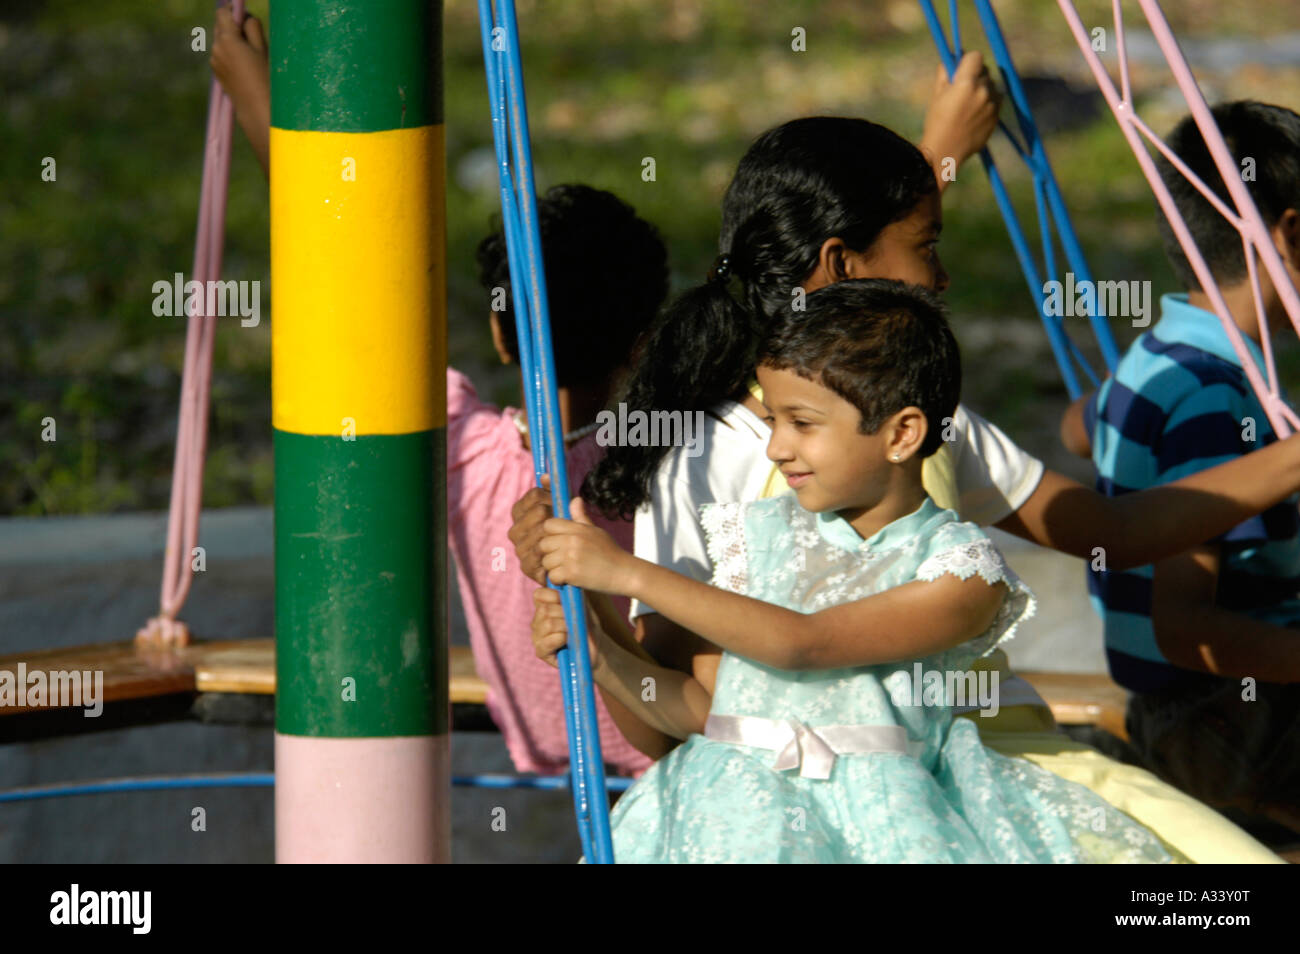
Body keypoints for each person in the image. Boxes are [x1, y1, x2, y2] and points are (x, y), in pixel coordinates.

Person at [508, 114, 1297, 862]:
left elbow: (1113, 533)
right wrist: (597, 633)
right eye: (927, 245)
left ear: (904, 435)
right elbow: (689, 714)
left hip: (978, 758)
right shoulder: (710, 457)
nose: (943, 273)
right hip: (784, 797)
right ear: (841, 266)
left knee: (1215, 879)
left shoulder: (923, 427)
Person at [530, 280, 1175, 862]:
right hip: (711, 821)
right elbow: (705, 713)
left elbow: (803, 642)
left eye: (801, 424)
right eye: (773, 420)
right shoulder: (758, 539)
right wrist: (596, 643)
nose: (778, 448)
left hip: (870, 833)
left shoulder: (959, 573)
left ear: (901, 435)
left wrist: (630, 575)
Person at [210, 11, 670, 776]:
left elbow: (345, 274)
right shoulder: (666, 461)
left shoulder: (459, 449)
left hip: (548, 741)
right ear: (642, 343)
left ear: (498, 335)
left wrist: (255, 92)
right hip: (665, 747)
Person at [1067, 102, 1300, 835]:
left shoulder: (1164, 353)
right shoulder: (1212, 394)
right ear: (1293, 234)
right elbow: (1183, 624)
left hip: (1187, 712)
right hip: (1227, 724)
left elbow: (1078, 426)